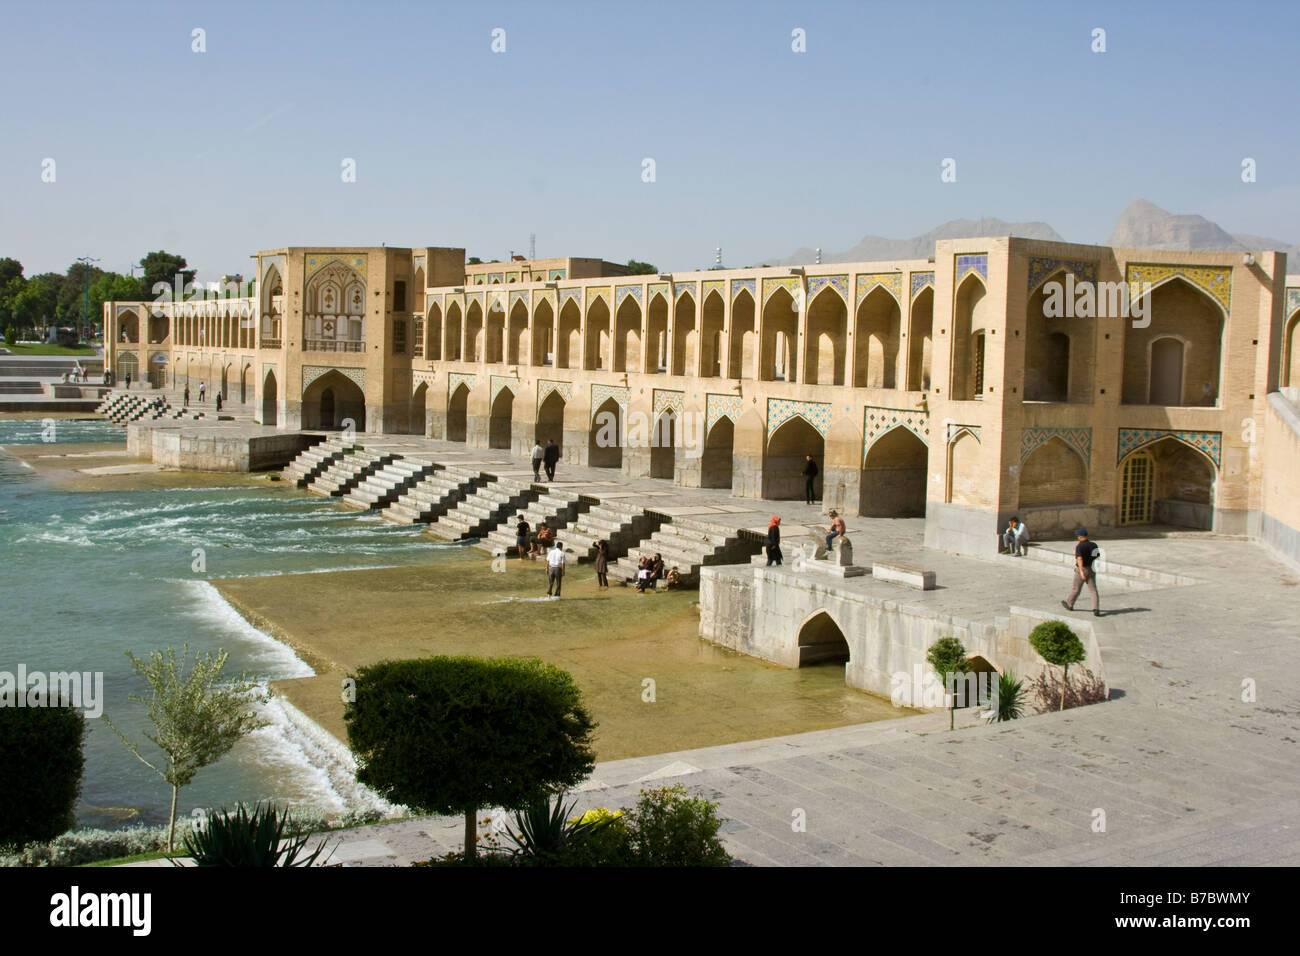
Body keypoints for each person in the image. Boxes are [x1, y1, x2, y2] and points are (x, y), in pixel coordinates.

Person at [1062, 527, 1101, 617]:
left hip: (1082, 569)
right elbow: (1096, 556)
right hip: (1091, 568)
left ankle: (1069, 603)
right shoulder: (1093, 545)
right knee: (1093, 590)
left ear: (1080, 536)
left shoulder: (1079, 546)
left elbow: (1079, 559)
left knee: (1076, 589)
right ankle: (1096, 608)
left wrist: (1081, 572)